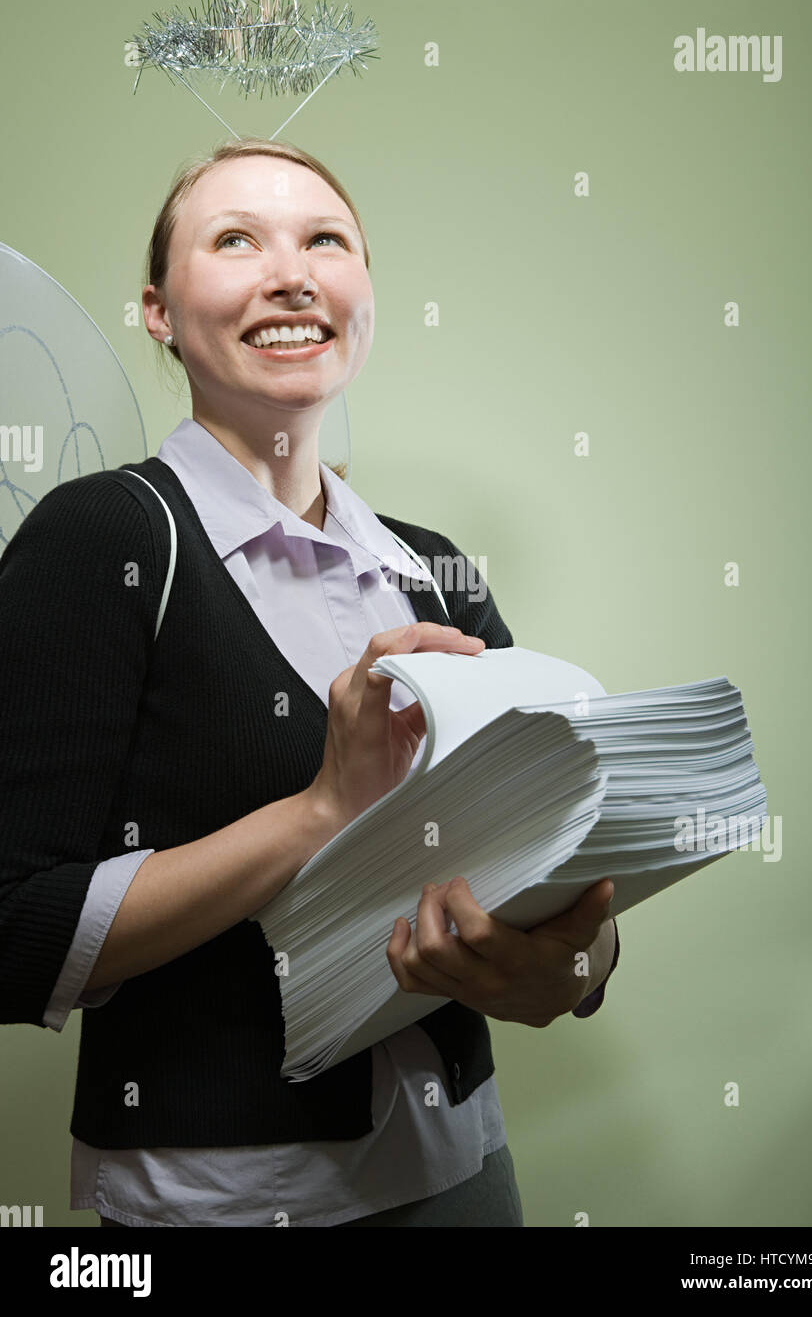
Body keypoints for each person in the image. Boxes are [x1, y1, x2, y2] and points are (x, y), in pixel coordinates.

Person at [0, 137, 620, 1227]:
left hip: (463, 1171)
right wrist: (322, 811)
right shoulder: (102, 538)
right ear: (156, 309)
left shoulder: (432, 568)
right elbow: (11, 930)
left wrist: (569, 965)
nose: (290, 273)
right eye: (235, 239)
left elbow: (550, 858)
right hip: (219, 1199)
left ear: (363, 293)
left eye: (323, 240)